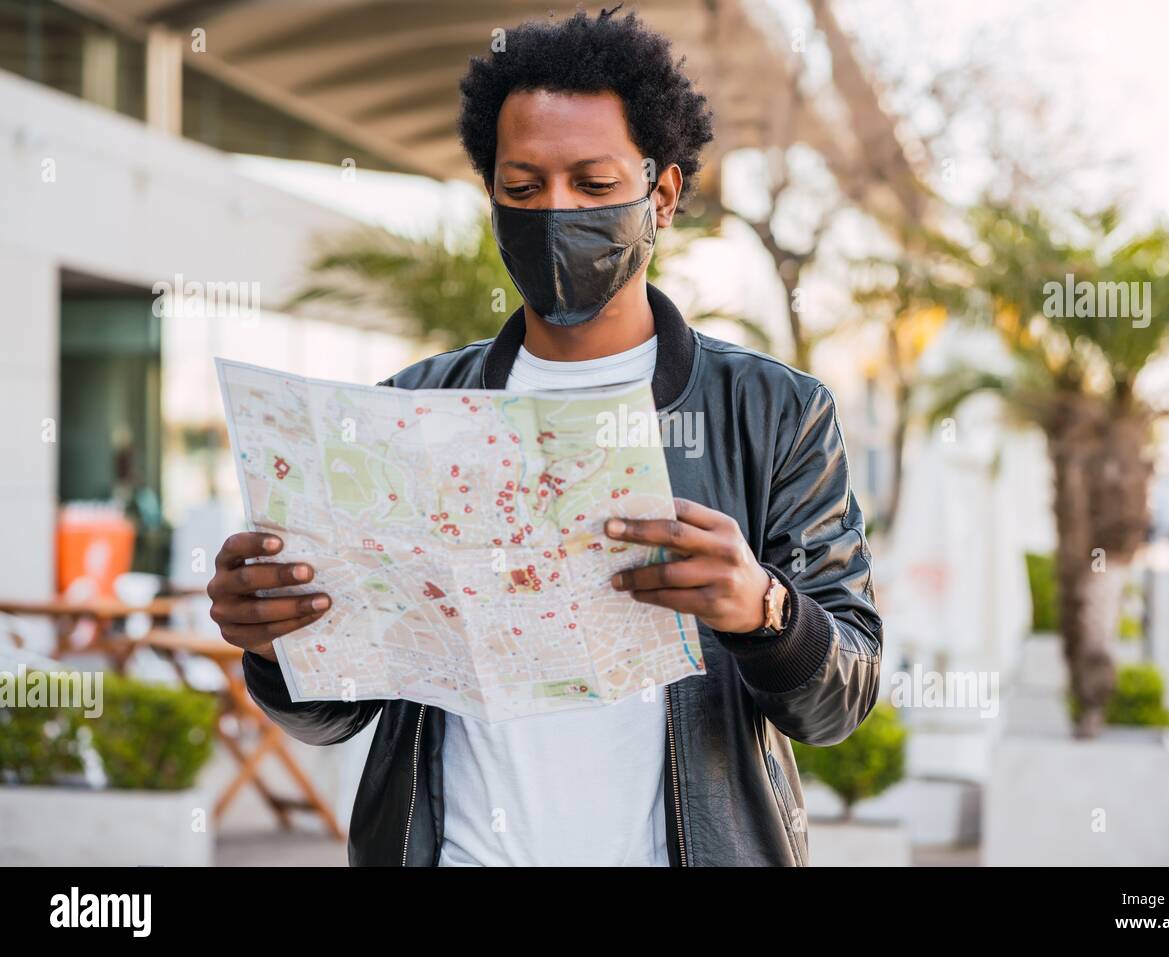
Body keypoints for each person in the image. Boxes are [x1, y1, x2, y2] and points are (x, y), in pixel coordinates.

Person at [206, 6, 882, 866]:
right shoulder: (409, 411)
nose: (555, 213)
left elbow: (842, 699)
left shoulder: (774, 412)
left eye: (594, 187)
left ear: (662, 193)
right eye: (522, 189)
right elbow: (333, 713)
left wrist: (766, 611)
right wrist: (274, 640)